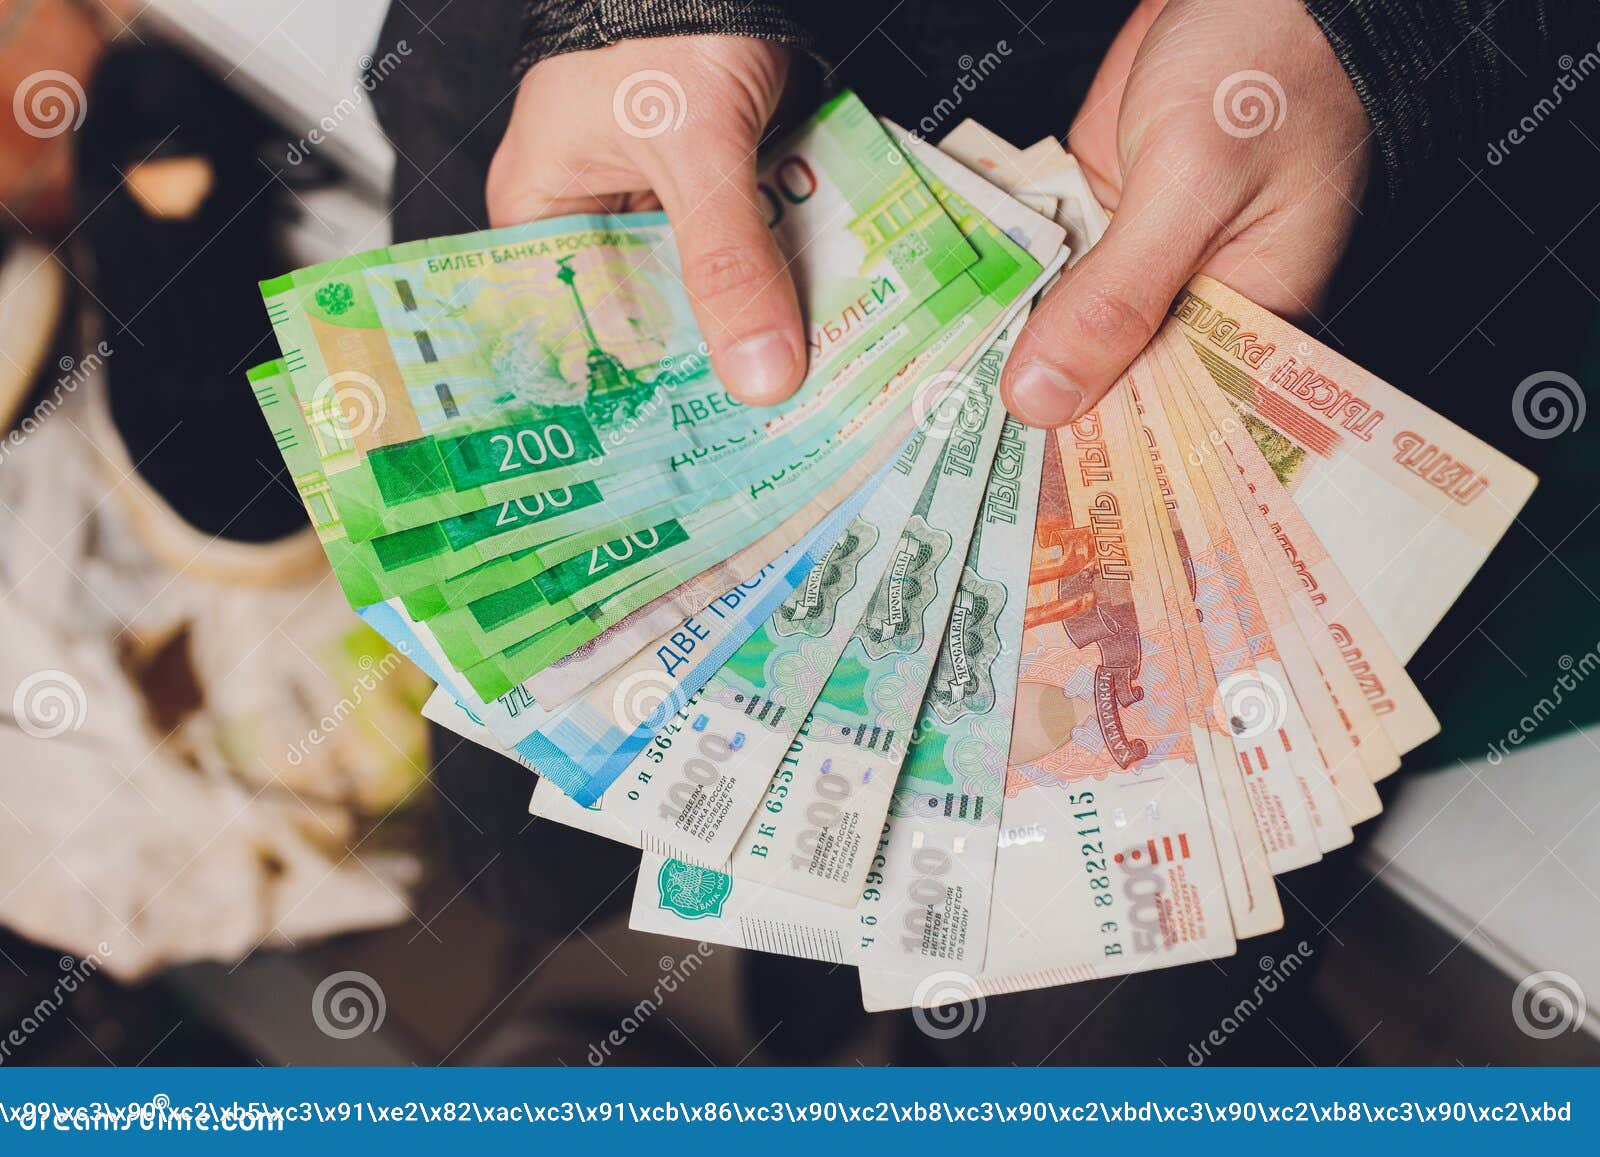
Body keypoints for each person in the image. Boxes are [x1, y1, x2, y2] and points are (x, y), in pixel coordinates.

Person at [369, 0, 1591, 1064]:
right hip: (636, 90)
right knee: (517, 838)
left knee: (1087, 1037)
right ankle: (822, 930)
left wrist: (1363, 33)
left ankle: (851, 951)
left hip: (1262, 130)